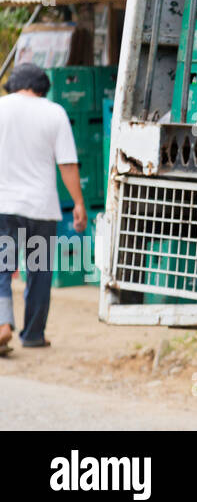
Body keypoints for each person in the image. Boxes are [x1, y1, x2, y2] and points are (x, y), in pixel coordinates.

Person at [0, 63, 86, 355]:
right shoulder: (54, 112)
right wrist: (78, 203)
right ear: (42, 88)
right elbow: (68, 164)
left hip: (4, 205)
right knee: (38, 271)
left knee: (2, 266)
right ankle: (34, 334)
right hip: (42, 207)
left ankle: (2, 324)